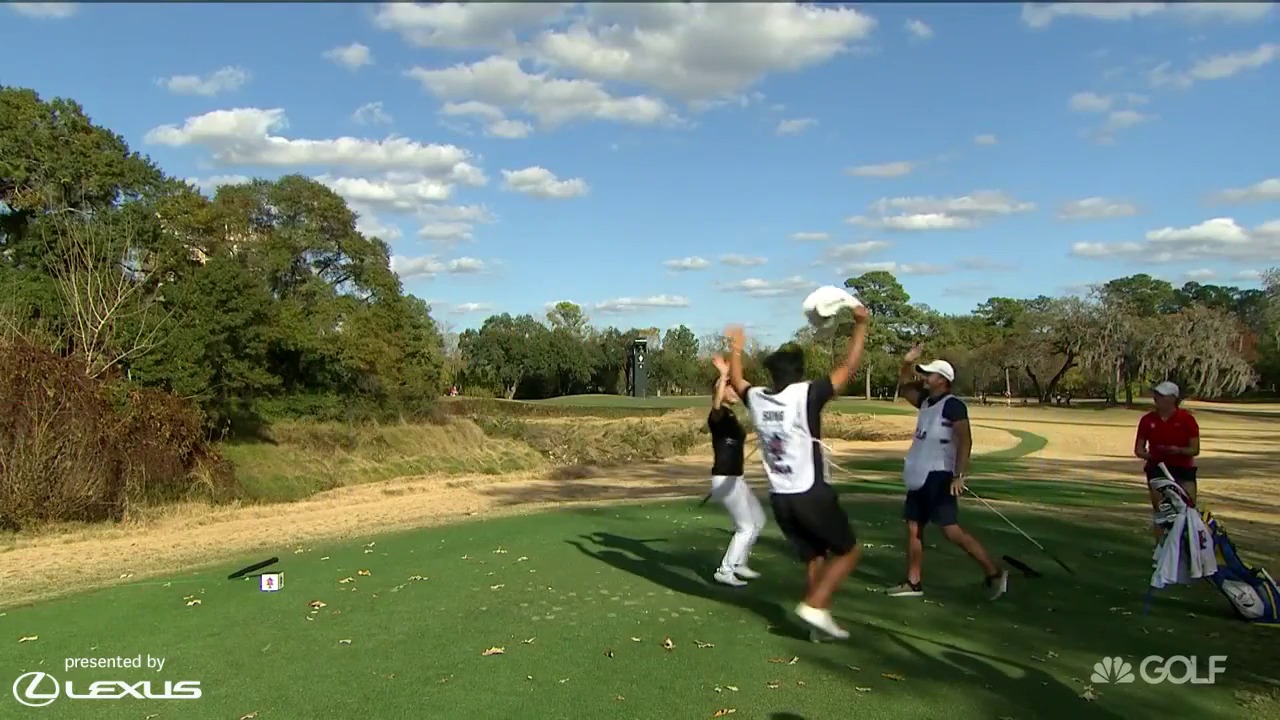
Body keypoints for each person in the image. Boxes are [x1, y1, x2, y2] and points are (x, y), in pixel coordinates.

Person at [723, 305, 870, 640]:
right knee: (849, 550)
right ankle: (815, 605)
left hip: (781, 499)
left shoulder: (758, 398)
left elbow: (738, 380)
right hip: (810, 493)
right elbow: (848, 366)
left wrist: (736, 346)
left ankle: (816, 625)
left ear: (772, 375)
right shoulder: (807, 394)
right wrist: (860, 325)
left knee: (815, 555)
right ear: (801, 372)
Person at [887, 344, 1008, 601]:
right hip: (919, 472)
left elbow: (965, 440)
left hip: (939, 474)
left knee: (950, 530)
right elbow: (906, 387)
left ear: (943, 379)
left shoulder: (953, 406)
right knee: (913, 527)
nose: (925, 377)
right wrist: (907, 362)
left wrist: (960, 474)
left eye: (929, 374)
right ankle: (913, 581)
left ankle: (994, 572)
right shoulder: (926, 402)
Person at [706, 354, 766, 587]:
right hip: (724, 480)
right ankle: (725, 570)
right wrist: (723, 376)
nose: (736, 393)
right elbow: (716, 402)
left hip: (736, 479)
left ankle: (739, 563)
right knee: (746, 527)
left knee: (758, 521)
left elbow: (737, 439)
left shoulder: (731, 416)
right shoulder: (718, 415)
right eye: (731, 389)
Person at [1135, 381, 1200, 530]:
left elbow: (1194, 449)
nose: (1157, 398)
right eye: (1156, 394)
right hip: (1157, 468)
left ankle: (1187, 550)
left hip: (1183, 469)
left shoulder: (1187, 419)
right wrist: (1152, 456)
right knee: (1161, 514)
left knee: (1188, 511)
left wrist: (1177, 450)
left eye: (1162, 395)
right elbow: (1139, 449)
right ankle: (1162, 550)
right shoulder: (1147, 420)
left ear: (1173, 398)